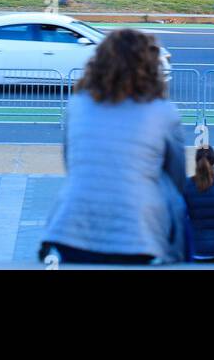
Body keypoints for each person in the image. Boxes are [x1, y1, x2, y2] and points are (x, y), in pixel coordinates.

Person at [40, 29, 186, 265]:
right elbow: (176, 177)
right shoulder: (163, 112)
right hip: (137, 229)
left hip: (74, 225)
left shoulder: (77, 105)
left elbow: (72, 164)